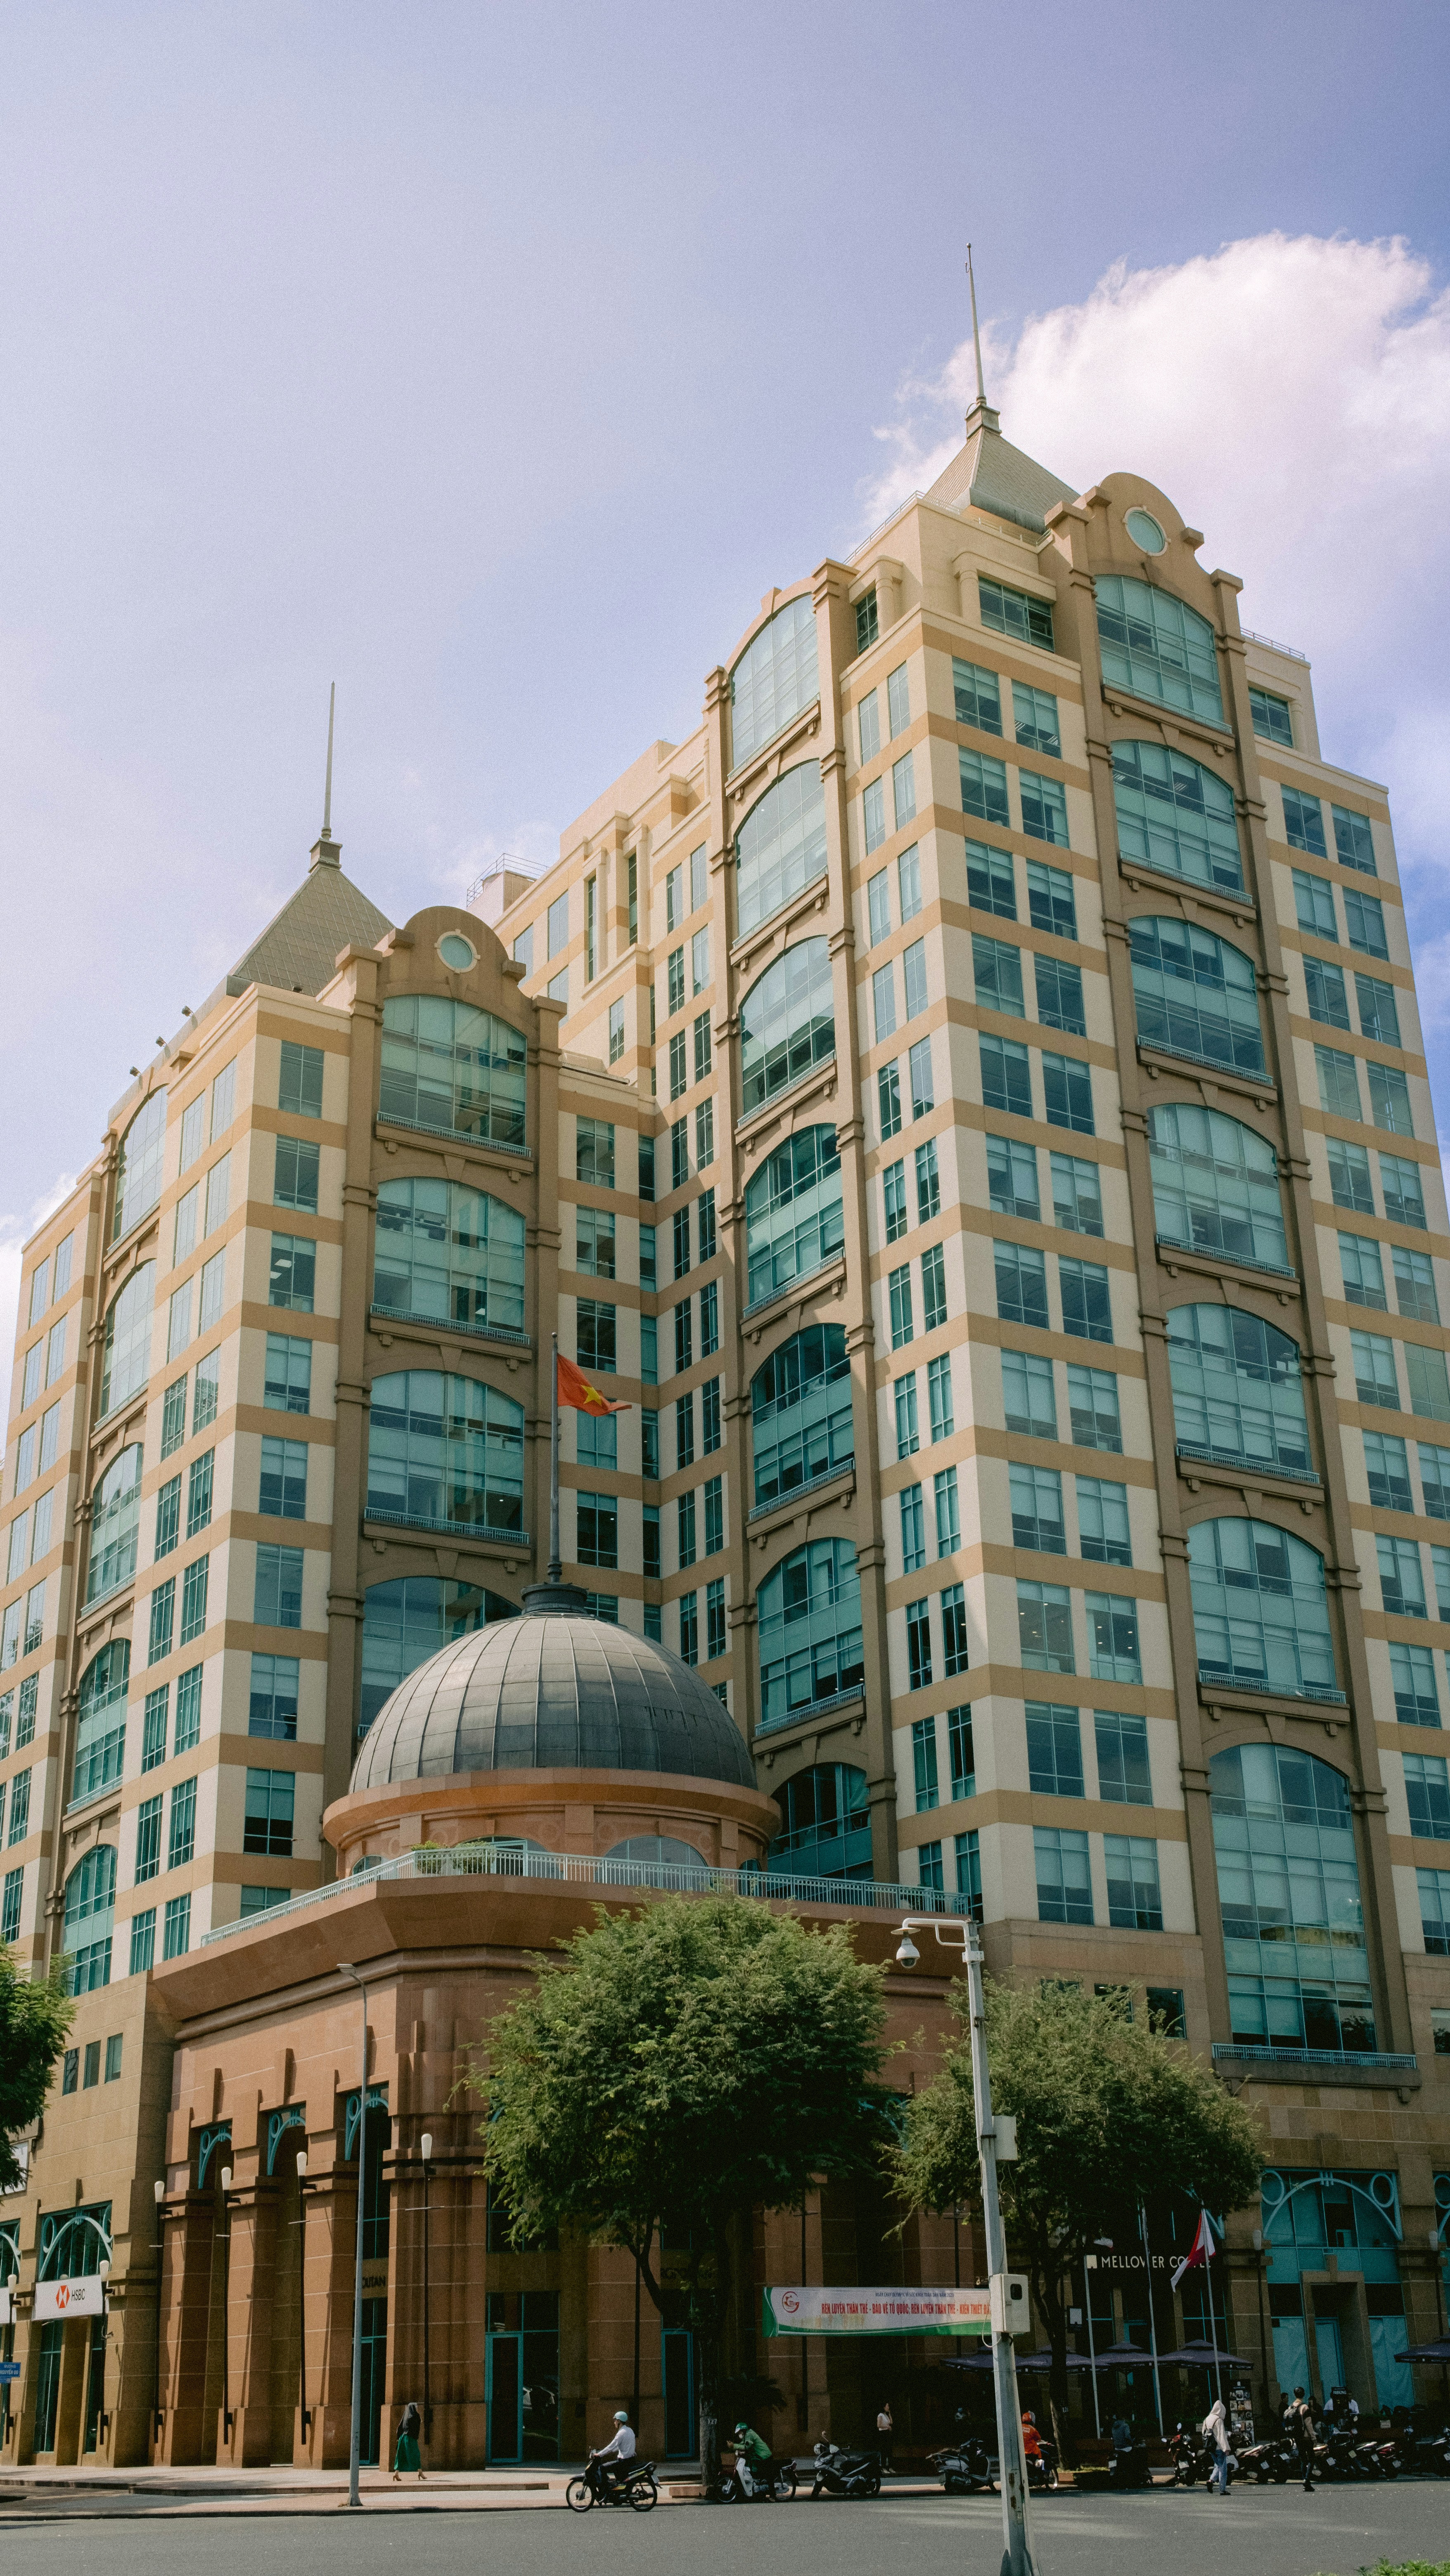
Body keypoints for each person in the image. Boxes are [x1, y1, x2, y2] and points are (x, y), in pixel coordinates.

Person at [588, 2409, 637, 2496]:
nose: (614, 2423)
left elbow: (611, 2446)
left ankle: (604, 2491)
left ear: (619, 2421)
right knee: (615, 2472)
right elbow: (619, 2446)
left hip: (624, 2462)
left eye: (615, 2421)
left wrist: (599, 2454)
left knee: (602, 2468)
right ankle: (617, 2491)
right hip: (630, 2460)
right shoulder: (630, 2430)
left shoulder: (621, 2433)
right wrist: (606, 2451)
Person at [733, 2420, 774, 2495]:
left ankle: (773, 2495)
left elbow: (746, 2447)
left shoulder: (750, 2434)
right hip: (757, 2457)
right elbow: (742, 2444)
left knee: (767, 2475)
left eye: (740, 2432)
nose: (739, 2434)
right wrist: (734, 2447)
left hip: (764, 2456)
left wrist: (734, 2446)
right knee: (753, 2472)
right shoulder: (746, 2437)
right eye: (739, 2433)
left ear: (743, 2430)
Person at [1202, 2396, 1232, 2496]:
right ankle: (1222, 2490)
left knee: (1217, 2465)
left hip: (1210, 2447)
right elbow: (1221, 2436)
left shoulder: (1207, 2419)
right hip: (1219, 2448)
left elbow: (1204, 2433)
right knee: (1223, 2469)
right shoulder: (1219, 2420)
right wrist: (1226, 2449)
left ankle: (1211, 2480)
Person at [1288, 2385, 1316, 2493]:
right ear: (1304, 2394)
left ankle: (1306, 2483)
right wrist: (1313, 2437)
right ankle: (1307, 2480)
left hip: (1297, 2437)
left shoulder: (1291, 2407)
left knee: (1303, 2460)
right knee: (1312, 2459)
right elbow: (1308, 2424)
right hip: (1306, 2437)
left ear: (1295, 2395)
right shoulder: (1304, 2407)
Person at [391, 2397, 423, 2481]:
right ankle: (420, 2472)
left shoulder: (405, 2417)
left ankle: (396, 2473)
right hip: (410, 2439)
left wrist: (398, 2438)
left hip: (403, 2438)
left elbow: (400, 2427)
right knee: (416, 2455)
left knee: (401, 2456)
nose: (417, 2409)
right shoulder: (415, 2416)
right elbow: (417, 2426)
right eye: (416, 2407)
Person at [876, 2400, 894, 2472]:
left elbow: (891, 2422)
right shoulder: (880, 2415)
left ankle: (890, 2467)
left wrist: (889, 2414)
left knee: (890, 2451)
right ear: (884, 2407)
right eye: (887, 2406)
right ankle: (883, 2468)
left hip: (888, 2434)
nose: (888, 2407)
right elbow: (879, 2425)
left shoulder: (886, 2415)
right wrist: (887, 2427)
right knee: (884, 2451)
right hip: (883, 2434)